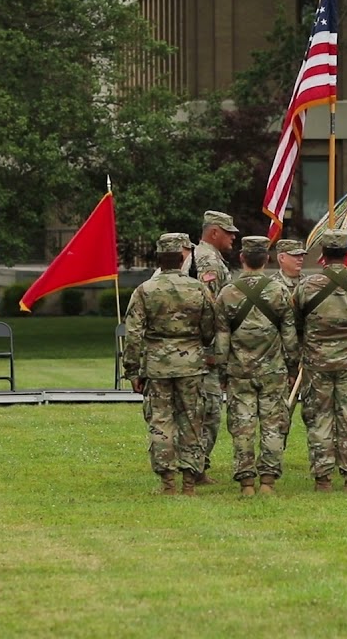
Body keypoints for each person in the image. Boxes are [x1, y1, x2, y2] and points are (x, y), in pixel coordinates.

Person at [122, 233, 220, 496]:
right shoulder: (198, 289)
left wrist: (132, 370)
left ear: (159, 259)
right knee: (192, 421)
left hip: (157, 366)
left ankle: (168, 483)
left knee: (161, 421)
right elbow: (210, 327)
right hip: (191, 364)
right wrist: (198, 343)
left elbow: (133, 333)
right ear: (180, 258)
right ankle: (189, 483)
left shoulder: (145, 290)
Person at [214, 236, 299, 497]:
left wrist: (222, 372)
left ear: (242, 258)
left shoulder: (227, 293)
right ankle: (268, 482)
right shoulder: (279, 291)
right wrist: (292, 367)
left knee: (242, 426)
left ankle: (247, 483)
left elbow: (221, 341)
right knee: (273, 425)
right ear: (267, 259)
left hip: (239, 372)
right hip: (273, 371)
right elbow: (290, 337)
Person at [294, 231, 347, 492]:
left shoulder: (307, 286)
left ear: (323, 255)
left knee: (319, 419)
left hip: (317, 364)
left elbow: (296, 324)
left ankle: (323, 479)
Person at [193, 209, 239, 484]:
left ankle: (194, 465)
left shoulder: (207, 257)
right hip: (206, 350)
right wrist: (213, 351)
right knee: (209, 411)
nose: (233, 237)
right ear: (214, 232)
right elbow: (209, 307)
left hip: (203, 349)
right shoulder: (208, 261)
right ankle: (196, 468)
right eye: (228, 233)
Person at [272, 238, 308, 451]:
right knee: (283, 408)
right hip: (282, 354)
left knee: (315, 409)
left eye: (302, 255)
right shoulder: (272, 286)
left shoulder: (309, 284)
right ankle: (276, 451)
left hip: (309, 352)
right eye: (295, 256)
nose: (300, 259)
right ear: (281, 258)